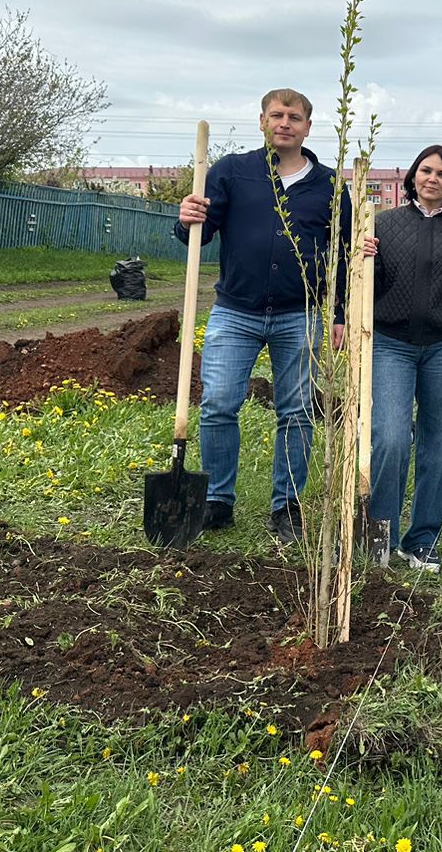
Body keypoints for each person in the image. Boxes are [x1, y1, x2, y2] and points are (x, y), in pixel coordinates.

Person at [175, 88, 352, 544]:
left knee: (295, 412)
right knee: (218, 404)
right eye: (277, 115)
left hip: (301, 315)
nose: (285, 123)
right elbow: (198, 232)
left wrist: (338, 313)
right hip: (236, 311)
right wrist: (186, 218)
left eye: (295, 117)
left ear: (308, 127)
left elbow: (345, 254)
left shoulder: (332, 186)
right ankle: (217, 498)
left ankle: (287, 506)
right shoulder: (232, 172)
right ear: (262, 121)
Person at [362, 145, 442, 572]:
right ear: (413, 176)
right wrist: (365, 258)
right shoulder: (383, 226)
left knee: (435, 445)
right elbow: (369, 288)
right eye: (426, 170)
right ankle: (381, 535)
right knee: (392, 438)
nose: (432, 179)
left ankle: (422, 541)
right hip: (391, 345)